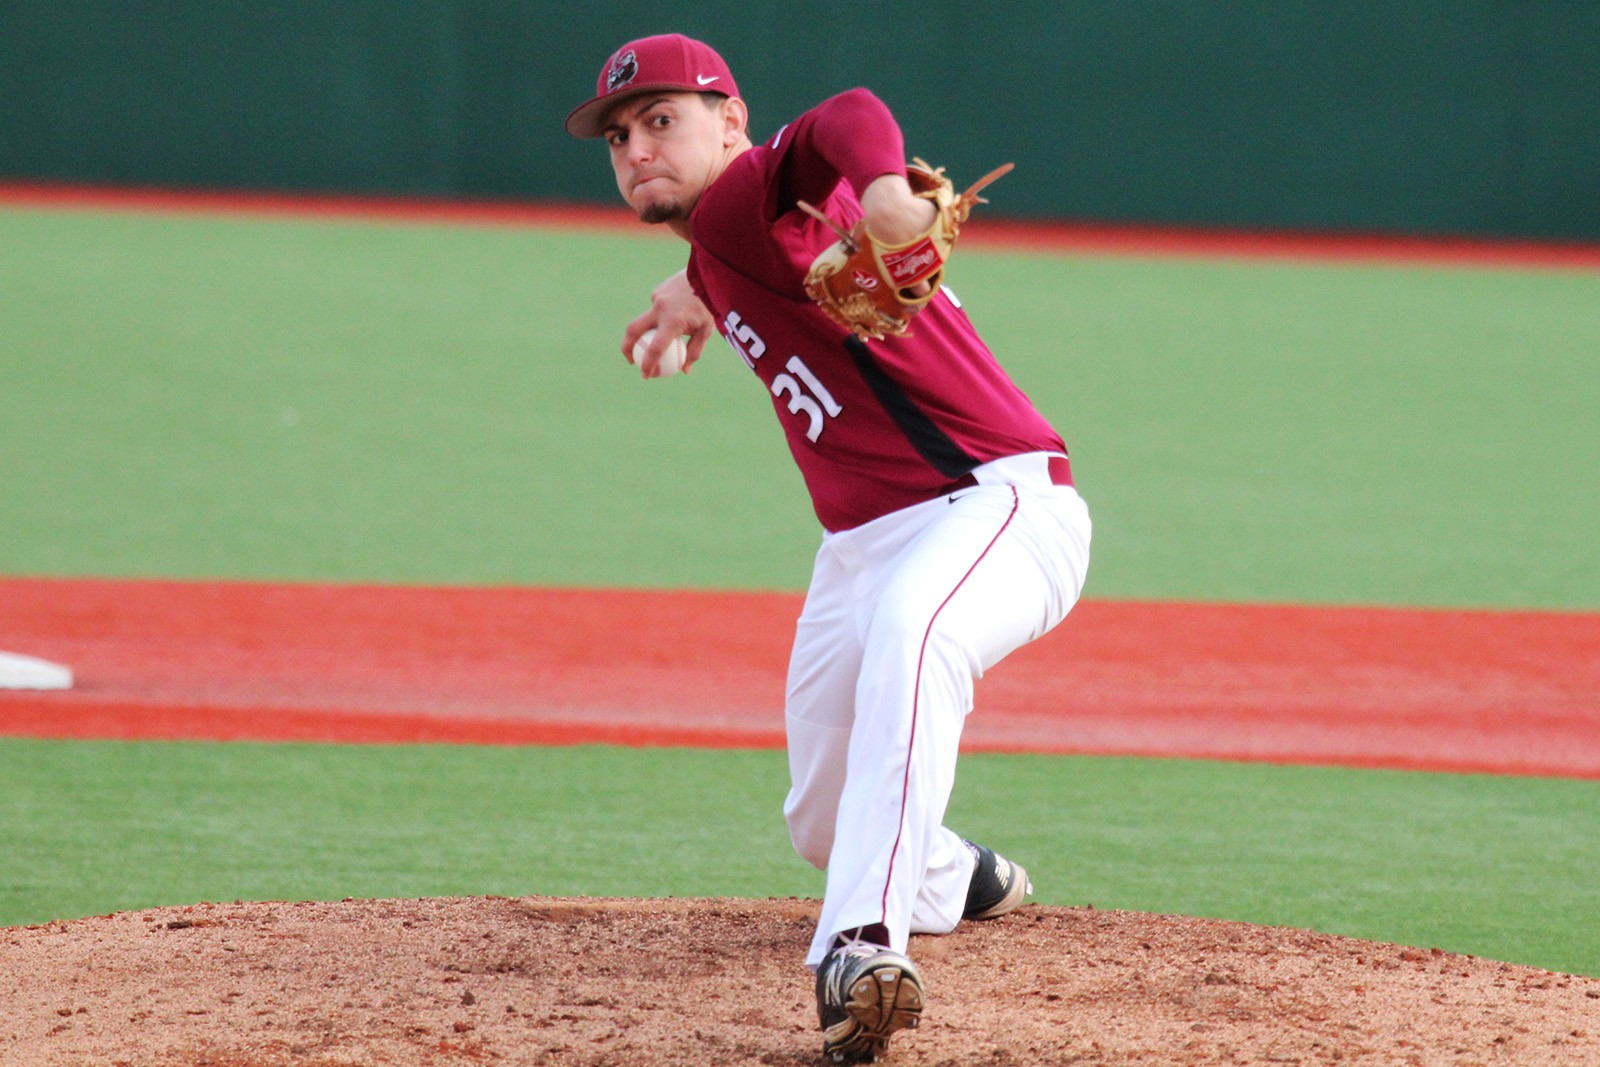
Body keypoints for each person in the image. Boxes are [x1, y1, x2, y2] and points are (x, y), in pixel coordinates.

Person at [565, 33, 1092, 1064]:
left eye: (663, 120)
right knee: (823, 818)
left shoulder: (748, 192)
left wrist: (886, 190)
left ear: (731, 119)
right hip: (861, 546)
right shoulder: (725, 238)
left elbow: (845, 113)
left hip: (994, 507)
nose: (636, 149)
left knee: (915, 633)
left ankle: (859, 949)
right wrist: (691, 291)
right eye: (620, 134)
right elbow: (731, 253)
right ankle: (954, 876)